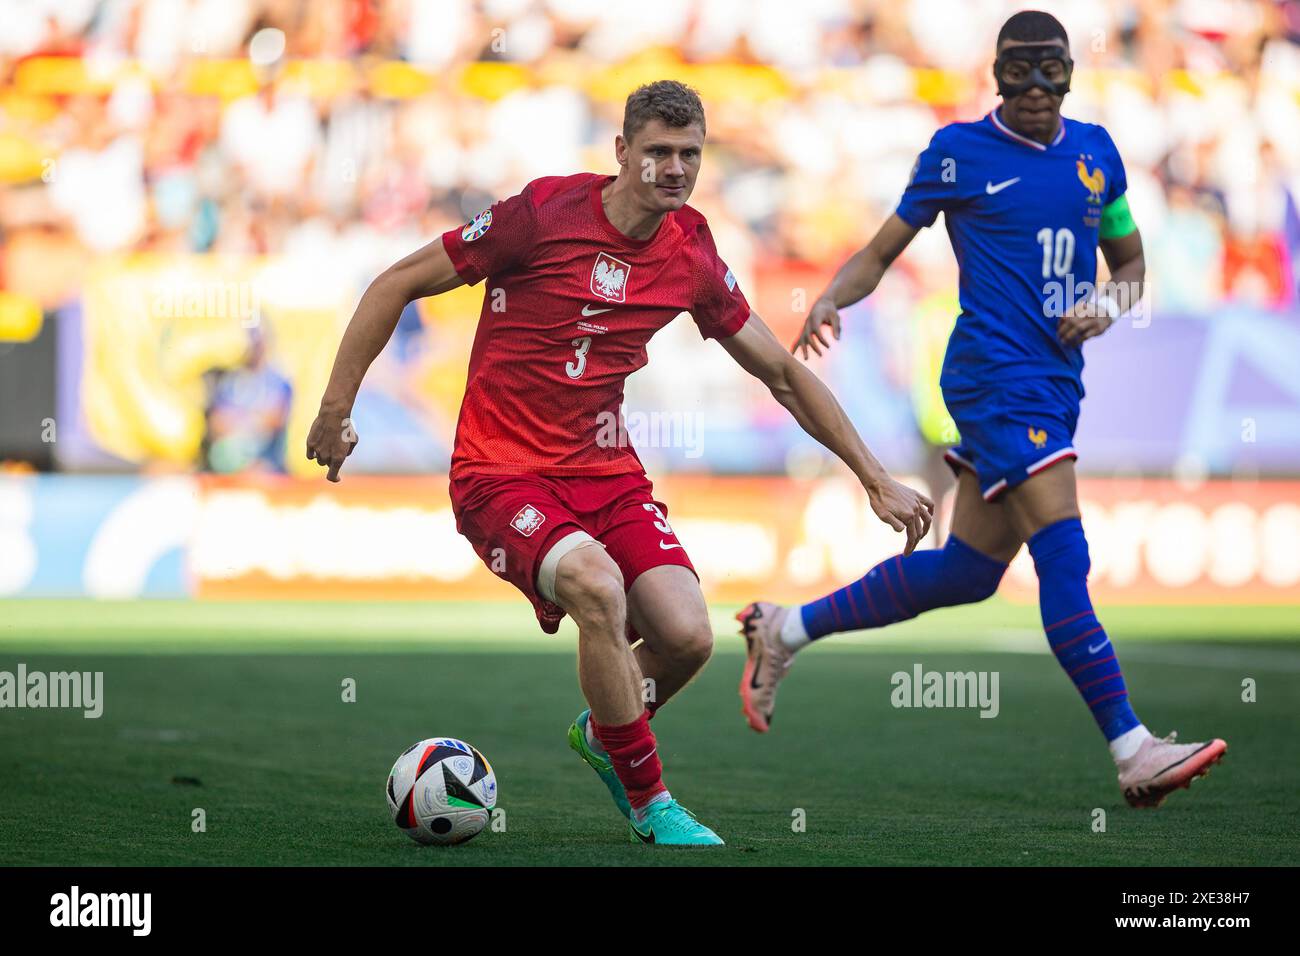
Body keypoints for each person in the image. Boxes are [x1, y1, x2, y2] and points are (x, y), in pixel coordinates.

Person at [306, 80, 932, 845]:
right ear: (622, 153)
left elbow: (780, 371)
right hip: (498, 474)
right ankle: (650, 802)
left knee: (688, 638)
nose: (674, 169)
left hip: (606, 474)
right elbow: (396, 282)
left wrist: (874, 476)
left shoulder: (692, 250)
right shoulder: (538, 215)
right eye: (659, 153)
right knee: (596, 587)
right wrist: (337, 409)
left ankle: (606, 731)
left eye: (690, 154)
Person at [736, 12, 1226, 810]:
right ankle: (1132, 748)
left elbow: (1132, 263)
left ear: (1070, 71)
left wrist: (1106, 306)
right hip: (994, 378)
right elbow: (881, 250)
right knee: (1064, 559)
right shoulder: (957, 152)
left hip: (1055, 382)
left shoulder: (1098, 156)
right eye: (1019, 71)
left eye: (1050, 71)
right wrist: (830, 296)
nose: (1036, 88)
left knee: (967, 574)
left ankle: (784, 628)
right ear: (996, 73)